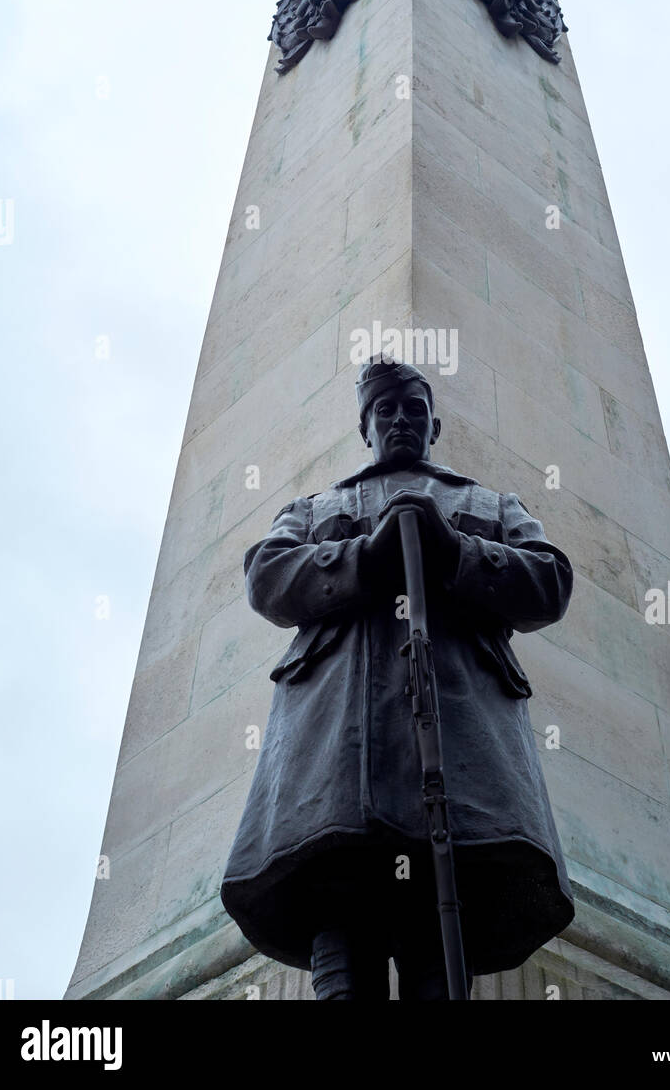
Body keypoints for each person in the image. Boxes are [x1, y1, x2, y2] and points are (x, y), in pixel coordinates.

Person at [220, 356, 575, 1000]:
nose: (402, 419)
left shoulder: (489, 504)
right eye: (386, 409)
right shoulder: (314, 507)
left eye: (415, 408)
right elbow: (267, 578)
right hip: (335, 760)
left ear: (434, 423)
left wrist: (457, 554)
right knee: (342, 942)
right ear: (366, 426)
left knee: (441, 949)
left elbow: (549, 582)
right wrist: (364, 557)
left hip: (457, 753)